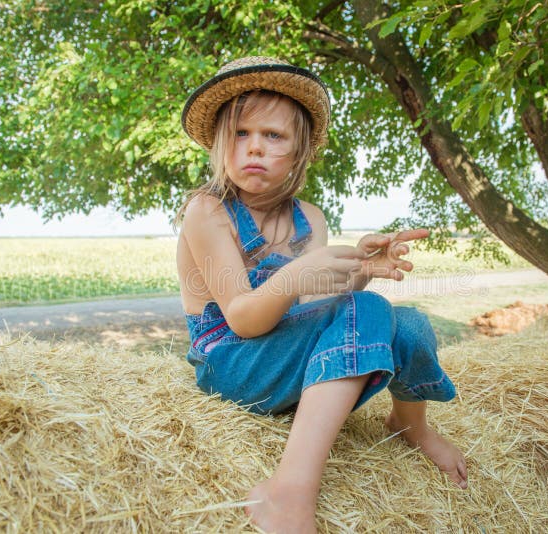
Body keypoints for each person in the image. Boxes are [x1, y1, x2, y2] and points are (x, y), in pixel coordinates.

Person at [176, 56, 467, 533]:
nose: (255, 148)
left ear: (300, 151)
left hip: (294, 360)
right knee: (371, 312)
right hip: (232, 361)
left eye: (273, 136)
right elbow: (245, 320)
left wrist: (360, 272)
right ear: (219, 145)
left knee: (408, 323)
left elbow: (323, 311)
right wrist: (299, 274)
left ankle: (410, 425)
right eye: (241, 134)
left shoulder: (309, 217)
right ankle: (287, 491)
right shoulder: (208, 212)